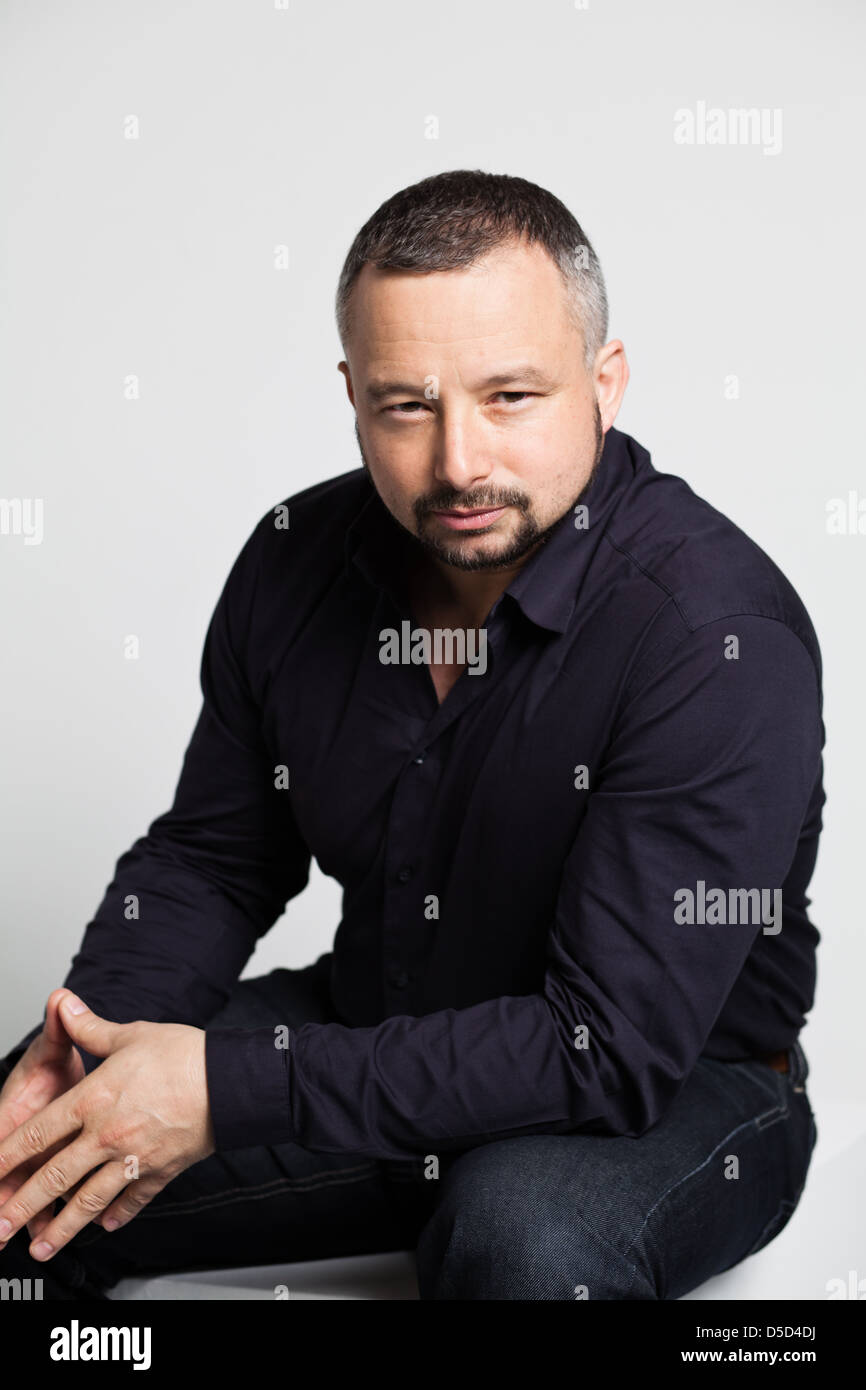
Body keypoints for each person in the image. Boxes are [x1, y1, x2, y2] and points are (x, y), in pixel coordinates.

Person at [0, 170, 822, 1300]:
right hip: (377, 1039)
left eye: (510, 397)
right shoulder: (296, 559)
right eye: (407, 405)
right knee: (26, 1166)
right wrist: (91, 1050)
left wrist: (231, 1092)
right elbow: (214, 857)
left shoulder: (712, 635)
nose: (459, 463)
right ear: (352, 394)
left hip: (680, 1095)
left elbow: (608, 1049)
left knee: (525, 1244)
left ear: (604, 381)